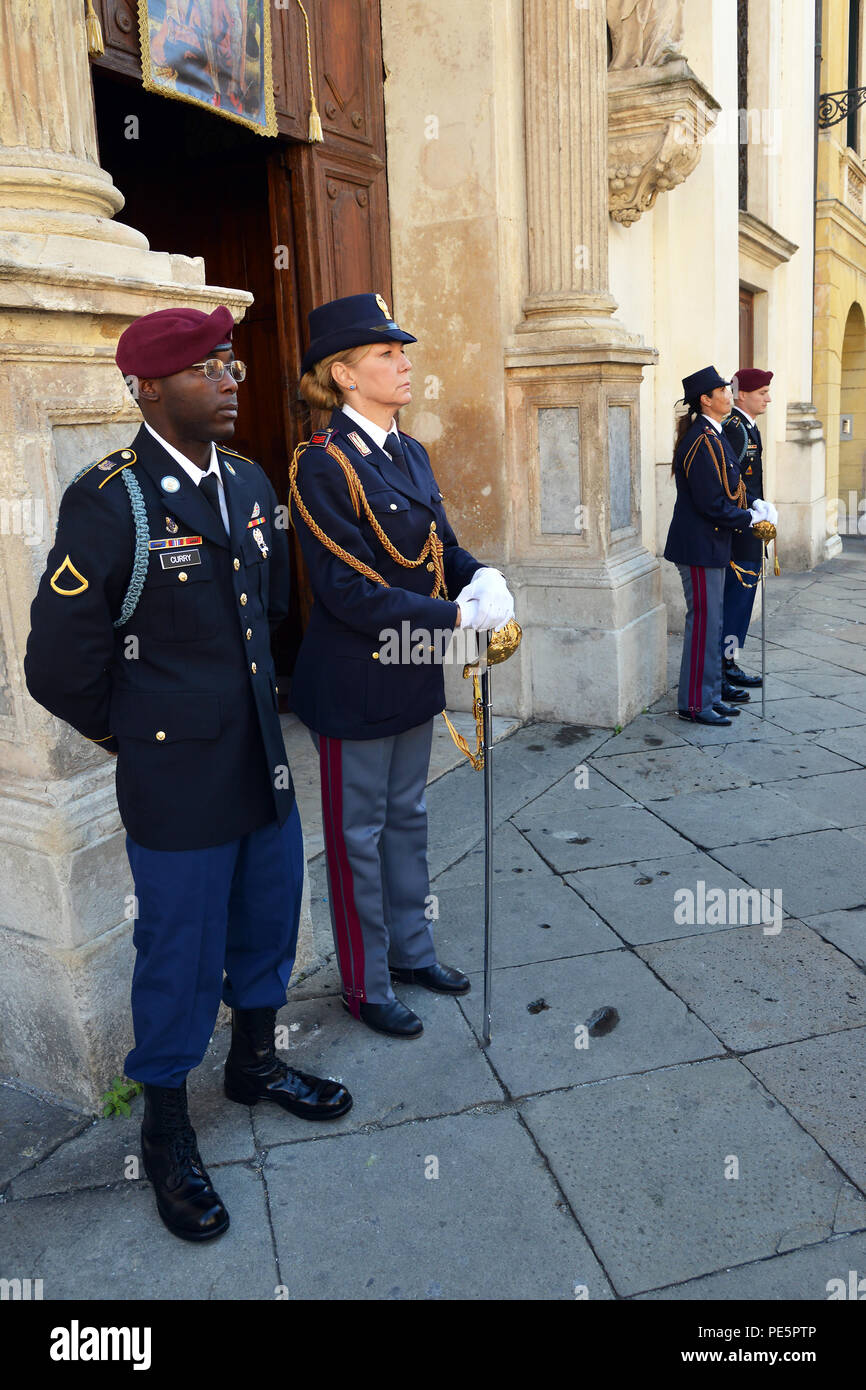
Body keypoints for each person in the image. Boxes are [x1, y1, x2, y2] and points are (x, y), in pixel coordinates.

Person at [25, 305, 352, 1244]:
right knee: (177, 952)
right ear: (149, 388)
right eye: (207, 368)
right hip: (175, 779)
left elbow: (272, 606)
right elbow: (56, 667)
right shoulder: (112, 497)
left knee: (266, 915)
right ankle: (166, 1127)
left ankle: (254, 1062)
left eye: (232, 363)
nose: (231, 380)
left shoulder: (249, 481)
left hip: (258, 754)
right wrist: (136, 735)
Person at [289, 292, 514, 1039]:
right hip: (353, 678)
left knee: (409, 820)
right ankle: (365, 980)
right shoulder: (321, 464)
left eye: (400, 351)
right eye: (386, 354)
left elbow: (439, 544)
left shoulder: (408, 450)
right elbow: (348, 589)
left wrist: (482, 577)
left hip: (412, 667)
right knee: (358, 834)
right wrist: (454, 617)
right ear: (345, 375)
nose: (403, 363)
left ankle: (413, 952)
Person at [663, 365, 766, 726]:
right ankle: (694, 704)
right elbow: (711, 503)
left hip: (711, 545)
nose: (728, 394)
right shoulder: (702, 438)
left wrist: (751, 506)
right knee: (704, 628)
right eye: (723, 390)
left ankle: (709, 695)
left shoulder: (714, 433)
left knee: (713, 624)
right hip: (699, 548)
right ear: (706, 400)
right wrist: (749, 518)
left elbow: (729, 489)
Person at [721, 368, 778, 695]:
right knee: (736, 600)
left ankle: (729, 662)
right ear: (742, 394)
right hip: (739, 530)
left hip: (749, 526)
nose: (768, 398)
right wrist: (755, 507)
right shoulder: (734, 429)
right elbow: (730, 482)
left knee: (742, 601)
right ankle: (723, 666)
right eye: (762, 392)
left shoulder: (747, 427)